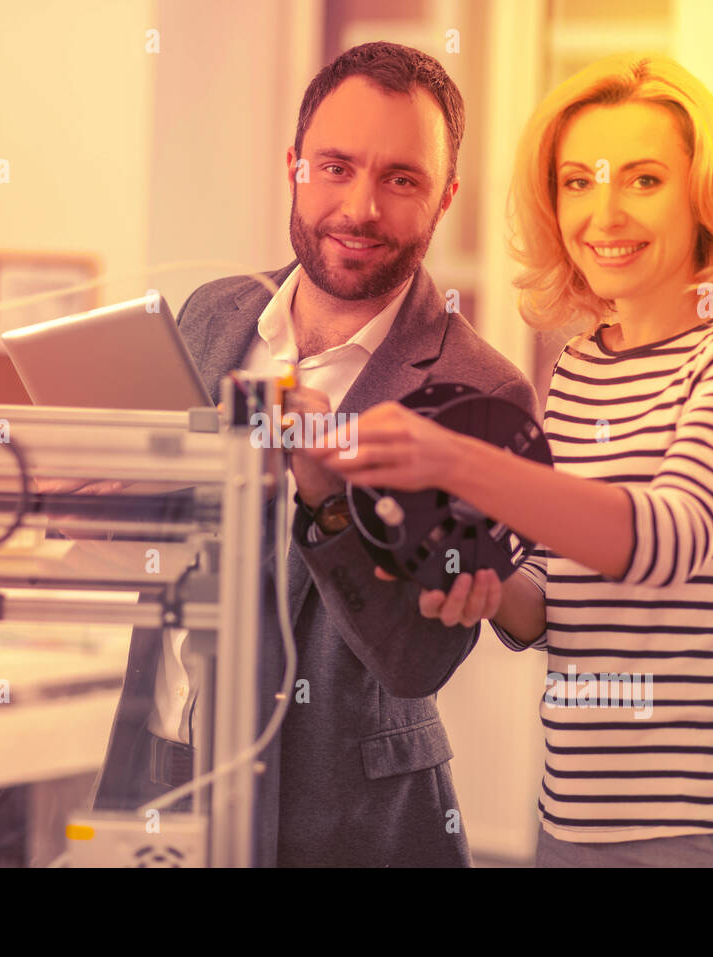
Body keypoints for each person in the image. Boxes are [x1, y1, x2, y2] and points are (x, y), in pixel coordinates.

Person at [304, 53, 713, 867]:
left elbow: (665, 539)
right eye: (579, 181)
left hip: (711, 829)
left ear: (702, 194)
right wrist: (476, 577)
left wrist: (453, 458)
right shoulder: (583, 365)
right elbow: (551, 599)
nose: (604, 212)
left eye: (644, 179)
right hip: (569, 826)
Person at [90, 41, 538, 867]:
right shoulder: (213, 313)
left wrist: (329, 503)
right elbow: (163, 545)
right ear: (293, 166)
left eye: (401, 179)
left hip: (345, 820)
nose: (360, 208)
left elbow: (420, 658)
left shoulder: (481, 392)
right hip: (158, 769)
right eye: (335, 167)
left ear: (445, 196)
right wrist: (97, 494)